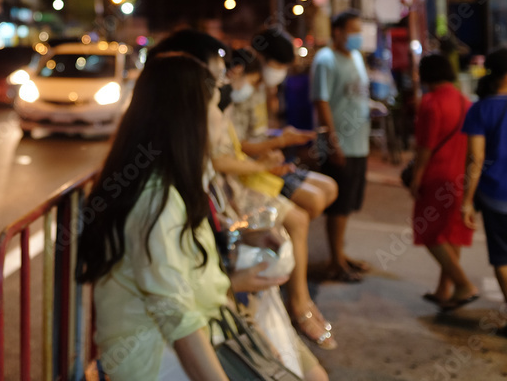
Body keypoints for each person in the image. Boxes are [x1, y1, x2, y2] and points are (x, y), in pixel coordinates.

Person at [77, 53, 327, 380]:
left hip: (200, 328)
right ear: (188, 116)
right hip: (154, 358)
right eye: (213, 105)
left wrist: (239, 241)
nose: (222, 117)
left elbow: (187, 277)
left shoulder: (177, 181)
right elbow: (179, 321)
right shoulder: (157, 198)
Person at [150, 30, 335, 350]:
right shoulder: (160, 195)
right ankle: (297, 304)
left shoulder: (188, 167)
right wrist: (234, 283)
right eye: (217, 81)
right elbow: (181, 313)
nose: (223, 91)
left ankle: (289, 303)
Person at [229, 43, 338, 220]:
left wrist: (281, 137)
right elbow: (238, 145)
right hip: (252, 170)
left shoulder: (260, 88)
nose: (281, 72)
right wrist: (280, 142)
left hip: (266, 163)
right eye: (279, 66)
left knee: (330, 188)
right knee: (309, 207)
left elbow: (257, 135)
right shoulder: (239, 93)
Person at [461, 47, 507, 341]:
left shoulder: (480, 109)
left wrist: (466, 201)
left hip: (495, 193)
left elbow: (475, 159)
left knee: (503, 255)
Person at [407, 53, 476, 309]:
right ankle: (443, 290)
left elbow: (425, 147)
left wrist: (417, 177)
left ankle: (462, 284)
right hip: (459, 175)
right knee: (450, 233)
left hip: (436, 175)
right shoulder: (465, 102)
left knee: (429, 232)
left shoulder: (430, 102)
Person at [311, 9, 371, 283]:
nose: (357, 36)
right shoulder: (325, 60)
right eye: (353, 31)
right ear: (337, 32)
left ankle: (341, 256)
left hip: (359, 143)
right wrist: (333, 143)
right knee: (338, 205)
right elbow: (321, 101)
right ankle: (335, 262)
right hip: (339, 144)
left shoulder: (356, 57)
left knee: (349, 204)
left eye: (359, 30)